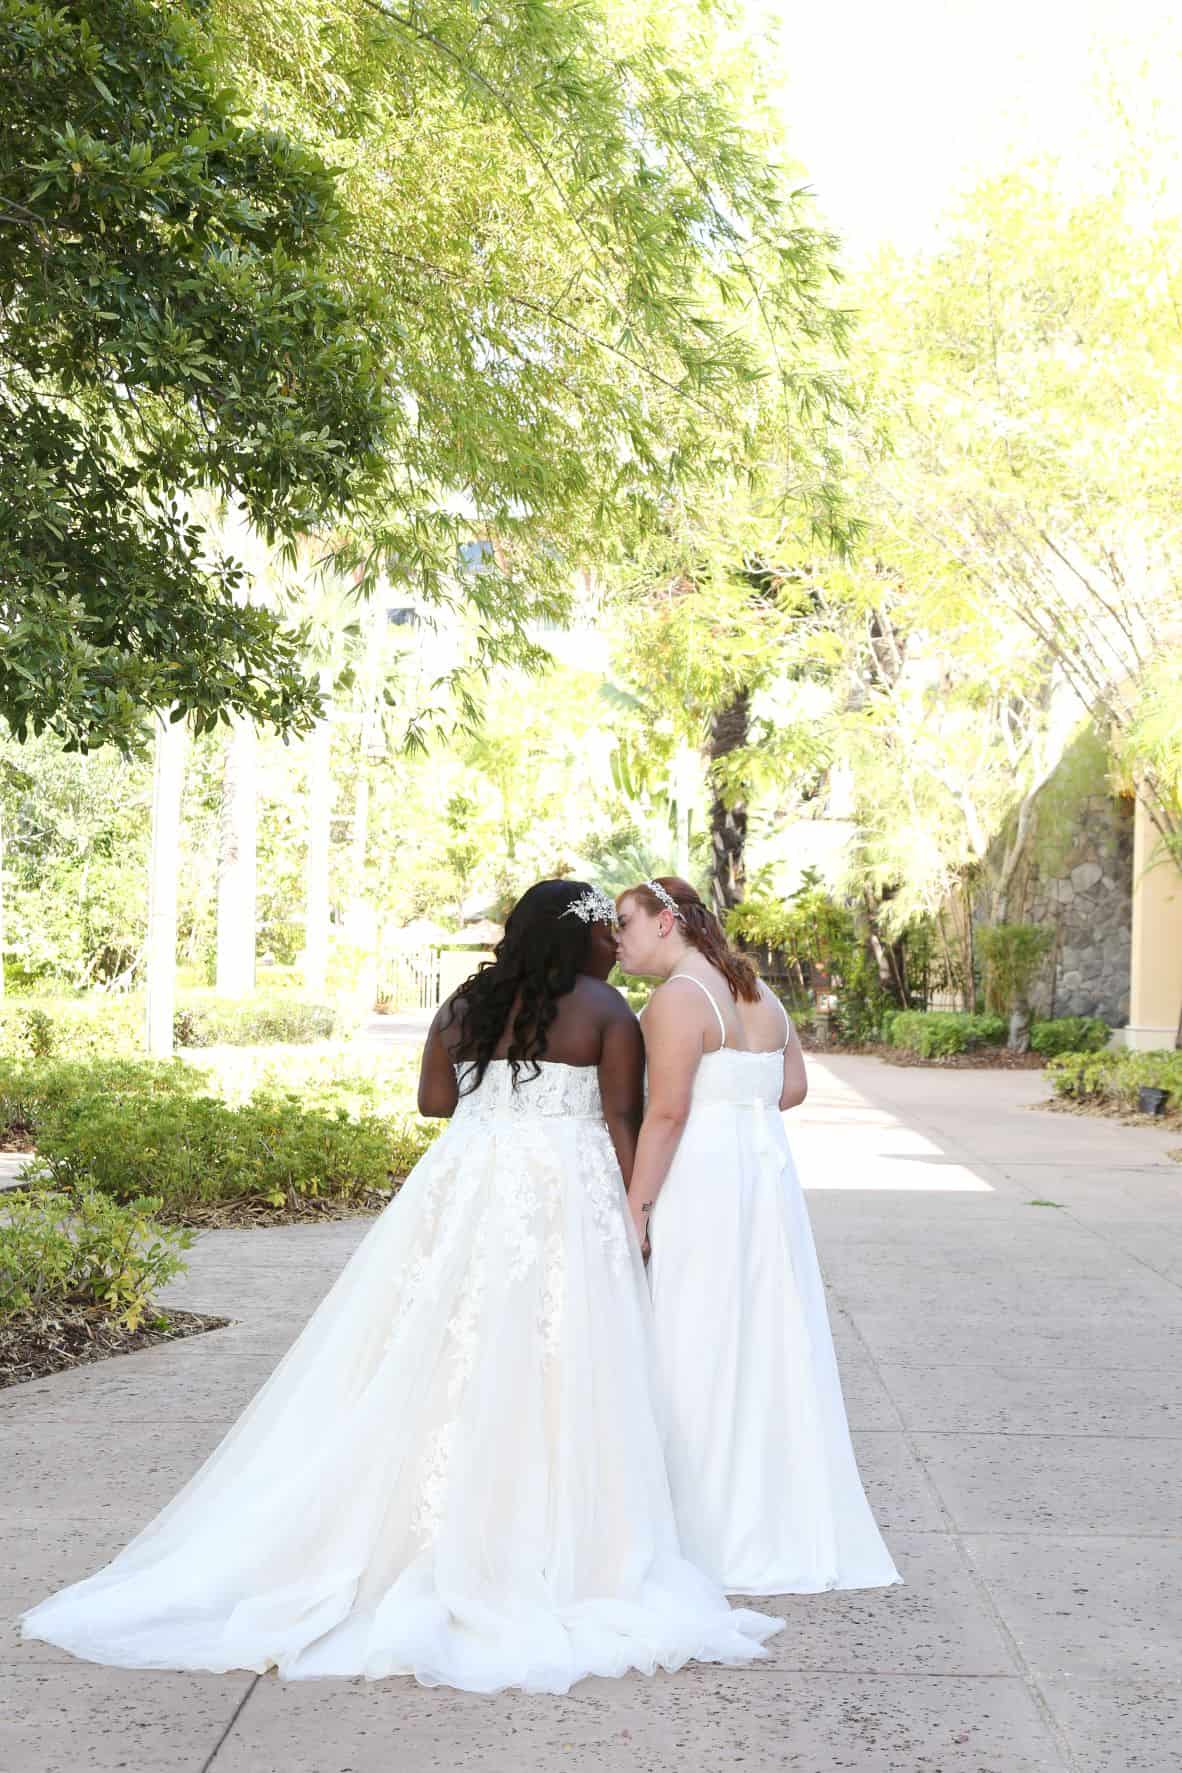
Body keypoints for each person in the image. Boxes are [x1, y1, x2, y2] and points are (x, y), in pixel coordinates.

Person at [21, 879, 779, 1692]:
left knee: (441, 1343)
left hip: (468, 1182)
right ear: (574, 937)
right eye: (603, 929)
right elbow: (623, 1117)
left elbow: (433, 1101)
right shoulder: (605, 1013)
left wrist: (497, 1099)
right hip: (566, 1191)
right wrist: (641, 1215)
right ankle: (560, 1540)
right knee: (562, 1353)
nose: (612, 944)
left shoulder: (464, 1003)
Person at [615, 876, 901, 1597]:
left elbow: (668, 1113)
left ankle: (705, 1526)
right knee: (767, 1337)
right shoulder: (758, 992)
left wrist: (638, 1205)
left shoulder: (677, 999)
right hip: (761, 1182)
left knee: (696, 1339)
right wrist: (740, 1106)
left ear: (666, 921)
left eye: (625, 923)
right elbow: (793, 1084)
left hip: (704, 1182)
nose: (616, 939)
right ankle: (774, 1518)